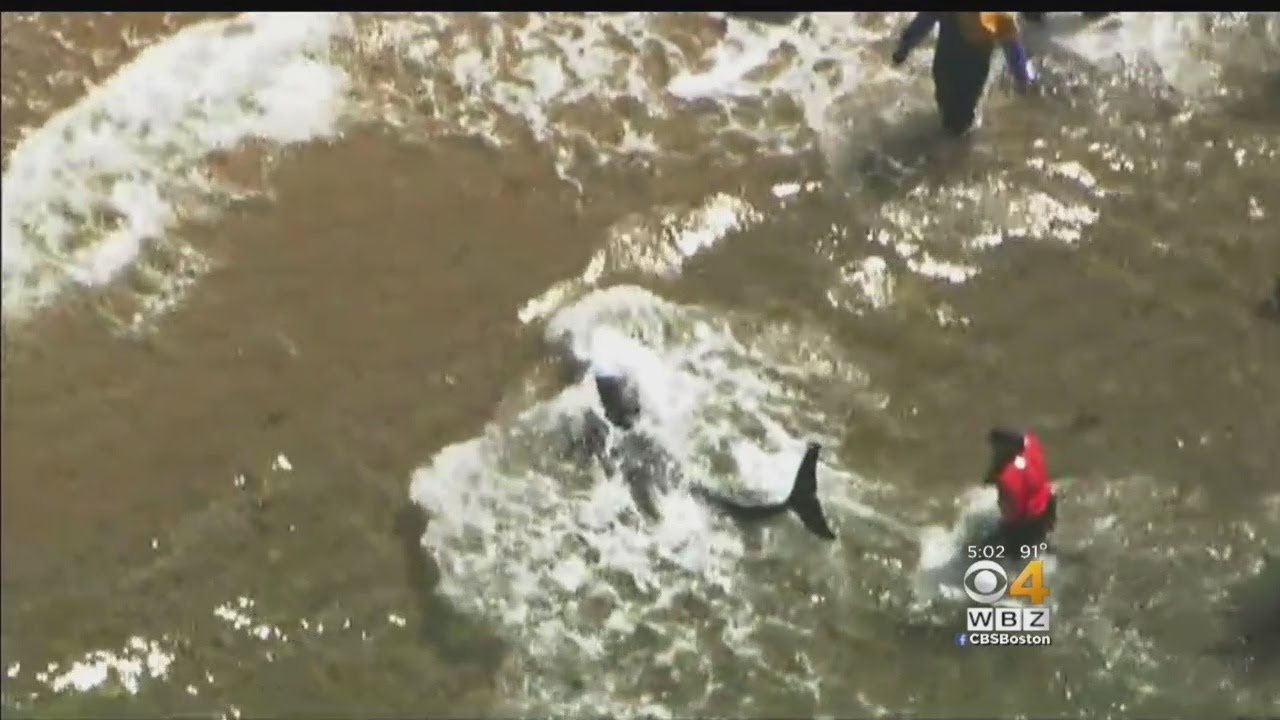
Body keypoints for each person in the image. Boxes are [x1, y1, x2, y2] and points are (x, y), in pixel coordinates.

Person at [891, 12, 1035, 136]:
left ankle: (950, 144)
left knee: (960, 119)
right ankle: (948, 139)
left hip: (970, 66)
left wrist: (1022, 78)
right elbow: (923, 22)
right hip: (949, 63)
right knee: (948, 106)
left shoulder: (1000, 16)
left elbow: (1013, 49)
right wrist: (904, 48)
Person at [982, 428, 1057, 554]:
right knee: (1042, 545)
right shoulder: (1030, 444)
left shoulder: (1007, 479)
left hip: (1027, 522)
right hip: (1048, 504)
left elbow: (1011, 513)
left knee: (980, 553)